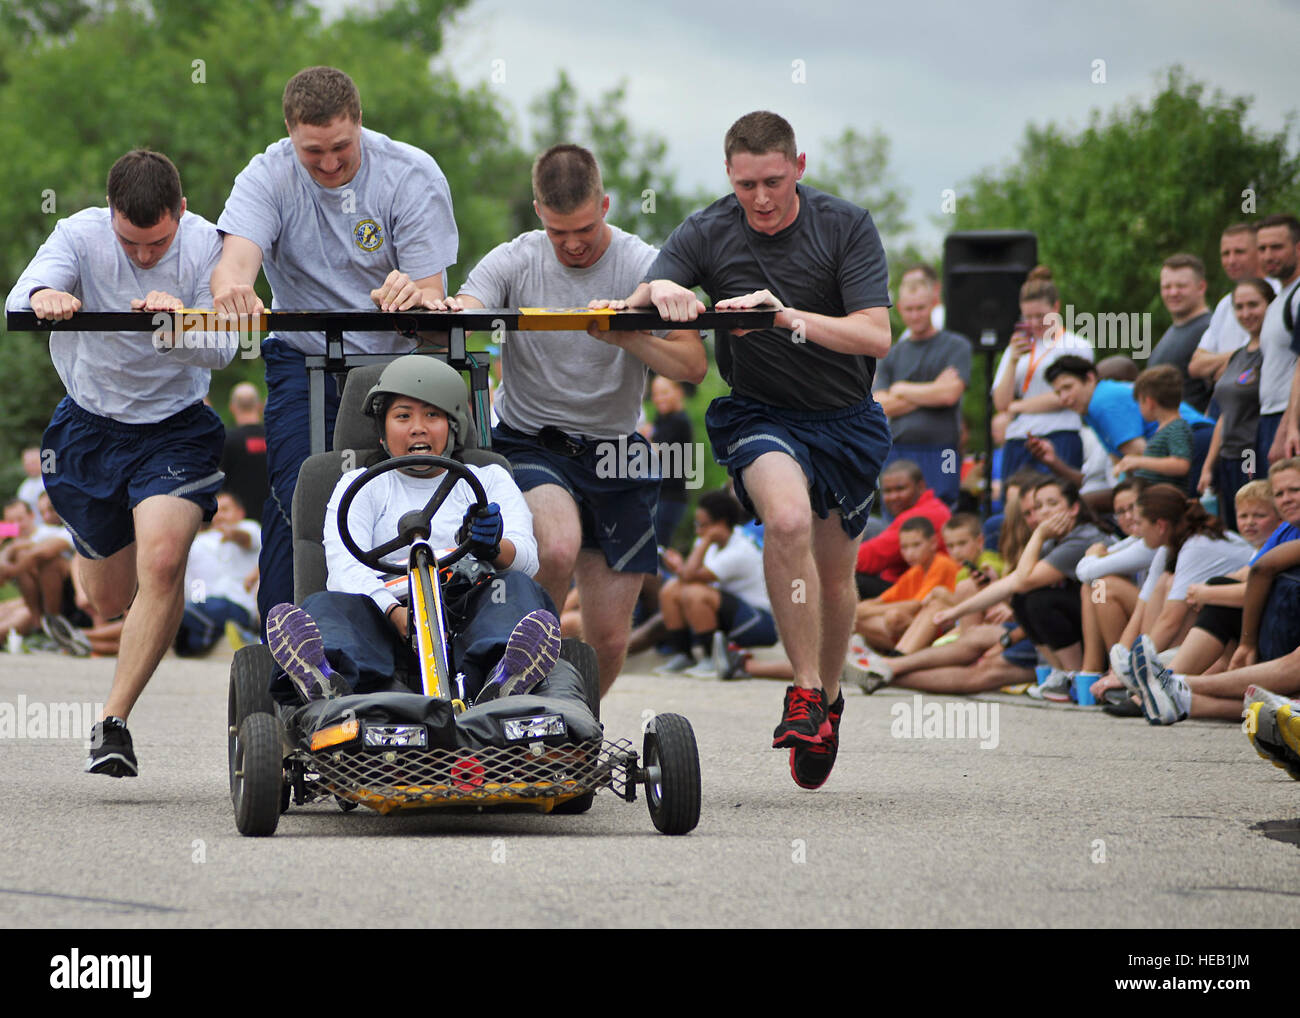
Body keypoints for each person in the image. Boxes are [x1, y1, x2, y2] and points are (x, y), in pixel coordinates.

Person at [610, 110, 893, 790]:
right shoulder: (709, 227)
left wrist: (785, 315)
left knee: (832, 577)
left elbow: (876, 336)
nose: (760, 199)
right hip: (759, 415)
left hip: (846, 419)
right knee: (787, 519)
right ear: (729, 177)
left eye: (772, 181)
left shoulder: (845, 225)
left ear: (799, 167)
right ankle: (801, 691)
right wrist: (665, 287)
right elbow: (646, 290)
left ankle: (825, 699)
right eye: (745, 185)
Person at [428, 144, 705, 698]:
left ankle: (569, 735)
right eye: (559, 233)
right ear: (538, 213)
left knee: (606, 637)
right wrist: (435, 309)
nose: (574, 244)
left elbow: (693, 365)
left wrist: (629, 333)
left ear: (604, 204)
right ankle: (511, 704)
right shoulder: (516, 258)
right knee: (555, 547)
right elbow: (465, 309)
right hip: (532, 442)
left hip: (616, 449)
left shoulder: (642, 262)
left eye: (584, 228)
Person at [4, 149, 236, 776]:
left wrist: (175, 322)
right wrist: (49, 295)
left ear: (180, 213)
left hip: (175, 432)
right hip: (88, 431)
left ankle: (113, 722)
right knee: (106, 599)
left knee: (162, 561)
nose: (142, 257)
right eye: (130, 243)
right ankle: (134, 596)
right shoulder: (78, 233)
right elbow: (21, 296)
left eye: (156, 243)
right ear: (110, 215)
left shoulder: (206, 243)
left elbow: (224, 346)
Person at [210, 65, 459, 634]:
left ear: (361, 125)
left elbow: (434, 303)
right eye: (312, 151)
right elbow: (234, 263)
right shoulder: (267, 175)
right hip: (304, 360)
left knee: (408, 489)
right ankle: (298, 638)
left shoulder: (410, 175)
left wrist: (412, 298)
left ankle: (402, 629)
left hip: (397, 365)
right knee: (303, 491)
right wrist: (233, 289)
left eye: (340, 148)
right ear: (290, 135)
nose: (327, 163)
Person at [263, 356, 562, 703]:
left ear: (453, 426)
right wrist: (395, 612)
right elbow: (344, 569)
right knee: (326, 606)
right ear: (382, 431)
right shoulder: (356, 484)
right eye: (403, 416)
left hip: (465, 603)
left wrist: (494, 547)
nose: (418, 427)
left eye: (432, 415)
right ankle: (329, 680)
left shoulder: (488, 477)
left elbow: (528, 560)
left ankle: (504, 674)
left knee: (515, 589)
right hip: (383, 609)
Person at [873, 272, 971, 508]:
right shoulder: (892, 353)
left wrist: (901, 388)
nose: (915, 315)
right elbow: (880, 404)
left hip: (944, 449)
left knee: (943, 509)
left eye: (921, 307)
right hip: (899, 450)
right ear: (899, 309)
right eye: (909, 309)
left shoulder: (956, 346)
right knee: (897, 513)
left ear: (934, 304)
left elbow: (949, 395)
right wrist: (933, 390)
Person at [654, 489, 775, 678]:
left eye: (703, 525)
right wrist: (681, 568)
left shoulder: (739, 549)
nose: (698, 530)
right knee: (671, 589)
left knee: (694, 593)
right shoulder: (710, 542)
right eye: (696, 524)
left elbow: (692, 576)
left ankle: (710, 659)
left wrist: (705, 541)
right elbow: (688, 575)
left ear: (721, 524)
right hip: (731, 611)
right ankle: (684, 655)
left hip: (759, 622)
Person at [991, 266, 1093, 485]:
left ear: (1056, 307)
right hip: (1019, 438)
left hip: (1060, 434)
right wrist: (1012, 361)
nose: (1035, 323)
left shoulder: (1076, 345)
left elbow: (1068, 397)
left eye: (1041, 316)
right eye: (1028, 317)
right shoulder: (1016, 347)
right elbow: (1001, 402)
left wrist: (1017, 407)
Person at [1198, 278, 1272, 529]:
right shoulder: (1239, 355)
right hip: (1227, 457)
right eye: (1239, 307)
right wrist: (1208, 466)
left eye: (1253, 305)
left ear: (1270, 305)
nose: (1246, 313)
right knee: (1231, 525)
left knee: (1254, 521)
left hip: (1251, 453)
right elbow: (1225, 414)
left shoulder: (1273, 353)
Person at [852, 516, 958, 651]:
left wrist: (862, 611)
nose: (910, 553)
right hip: (915, 626)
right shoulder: (915, 571)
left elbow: (916, 605)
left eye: (916, 545)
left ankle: (903, 655)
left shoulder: (941, 564)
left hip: (939, 628)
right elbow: (881, 600)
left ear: (933, 543)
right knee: (856, 621)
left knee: (894, 617)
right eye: (904, 547)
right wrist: (859, 611)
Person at [175, 490, 260, 656]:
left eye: (226, 510)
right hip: (204, 607)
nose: (220, 515)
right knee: (190, 617)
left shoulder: (249, 527)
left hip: (238, 605)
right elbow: (195, 581)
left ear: (240, 512)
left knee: (179, 616)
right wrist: (196, 603)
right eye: (216, 511)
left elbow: (248, 538)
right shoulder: (199, 542)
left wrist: (232, 534)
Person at [1188, 224, 1275, 384]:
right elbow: (1195, 365)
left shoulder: (1277, 294)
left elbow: (1269, 350)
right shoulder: (1225, 303)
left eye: (1239, 252)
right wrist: (1238, 360)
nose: (1231, 260)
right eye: (1225, 253)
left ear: (1259, 252)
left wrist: (1223, 365)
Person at [854, 460, 951, 596]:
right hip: (909, 581)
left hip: (921, 589)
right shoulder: (934, 505)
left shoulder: (919, 515)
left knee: (846, 577)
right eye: (887, 491)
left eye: (900, 489)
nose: (893, 497)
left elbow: (873, 556)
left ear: (921, 486)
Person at [1147, 253, 1213, 413]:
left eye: (1181, 286)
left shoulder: (1210, 329)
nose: (1173, 292)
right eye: (1166, 287)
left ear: (1201, 287)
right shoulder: (1171, 332)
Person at [1260, 214, 1300, 461]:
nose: (1268, 255)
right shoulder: (1278, 300)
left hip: (1288, 420)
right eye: (1262, 248)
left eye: (1276, 247)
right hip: (1270, 416)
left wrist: (1288, 426)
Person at [1115, 366, 1194, 488]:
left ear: (1149, 402)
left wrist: (1138, 461)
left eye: (1139, 403)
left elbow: (1181, 464)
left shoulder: (1177, 428)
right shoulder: (1165, 429)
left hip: (1166, 502)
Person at [220, 382, 268, 524]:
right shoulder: (274, 439)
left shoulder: (226, 440)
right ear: (259, 406)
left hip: (237, 524)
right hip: (273, 521)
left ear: (232, 408)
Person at [16, 447, 44, 515]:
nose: (31, 467)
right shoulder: (23, 488)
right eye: (27, 464)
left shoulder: (52, 481)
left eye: (33, 463)